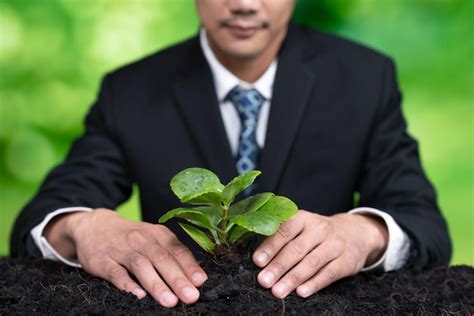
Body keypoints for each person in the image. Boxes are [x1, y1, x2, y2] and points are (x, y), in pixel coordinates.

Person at [11, 0, 451, 308]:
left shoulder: (363, 78)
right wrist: (82, 227)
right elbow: (39, 218)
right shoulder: (130, 91)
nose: (243, 3)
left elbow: (423, 222)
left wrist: (365, 234)